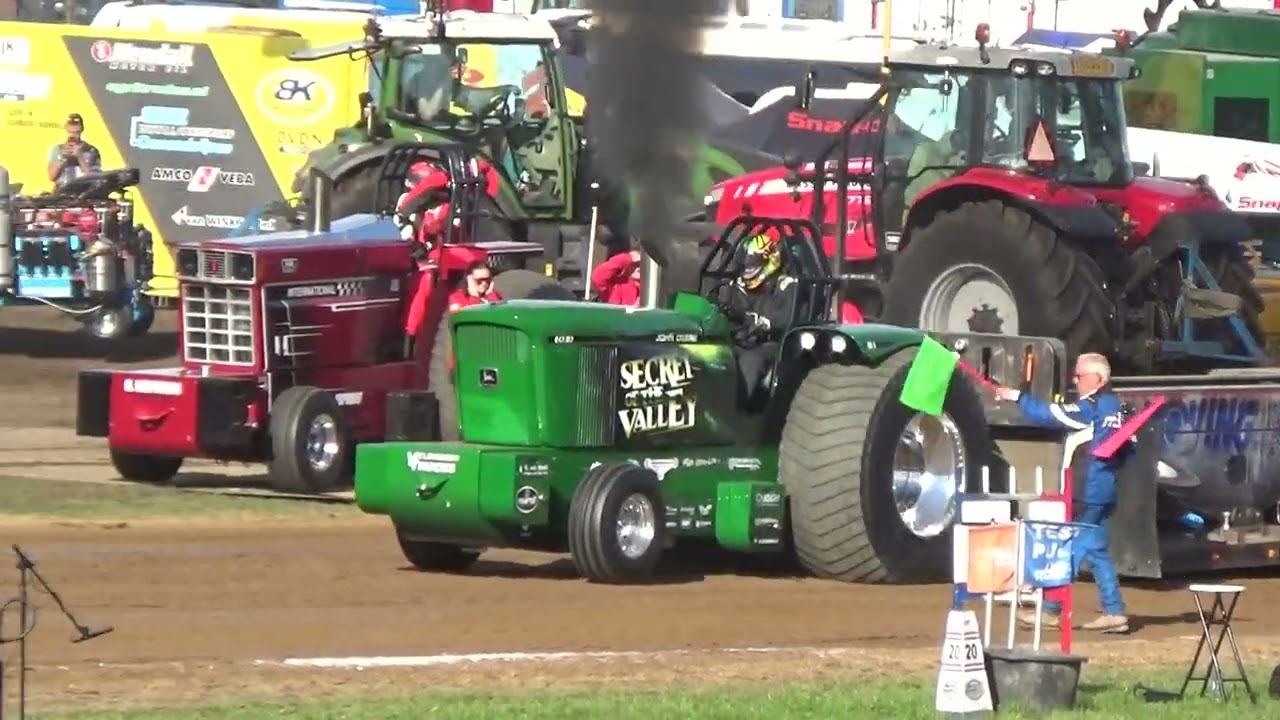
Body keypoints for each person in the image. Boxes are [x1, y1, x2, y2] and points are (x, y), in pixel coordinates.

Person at [995, 352, 1129, 634]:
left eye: (1079, 376)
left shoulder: (1091, 406)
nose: (1075, 381)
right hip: (1105, 487)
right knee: (1096, 550)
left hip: (1086, 488)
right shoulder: (1118, 407)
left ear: (1098, 379)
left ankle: (1051, 610)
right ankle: (1114, 611)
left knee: (1066, 548)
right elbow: (1130, 449)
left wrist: (1017, 396)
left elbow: (1050, 414)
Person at [719, 233, 798, 397]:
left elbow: (787, 320)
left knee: (751, 361)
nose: (747, 271)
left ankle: (741, 408)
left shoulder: (786, 286)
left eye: (752, 265)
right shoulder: (736, 287)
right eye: (746, 266)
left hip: (772, 344)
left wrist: (759, 322)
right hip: (740, 339)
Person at [47, 113, 101, 187]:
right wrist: (62, 158)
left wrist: (80, 157)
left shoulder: (91, 151)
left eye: (76, 133)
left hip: (83, 190)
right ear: (66, 128)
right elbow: (51, 177)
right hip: (63, 190)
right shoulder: (57, 149)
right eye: (70, 132)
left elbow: (95, 179)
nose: (73, 136)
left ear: (81, 129)